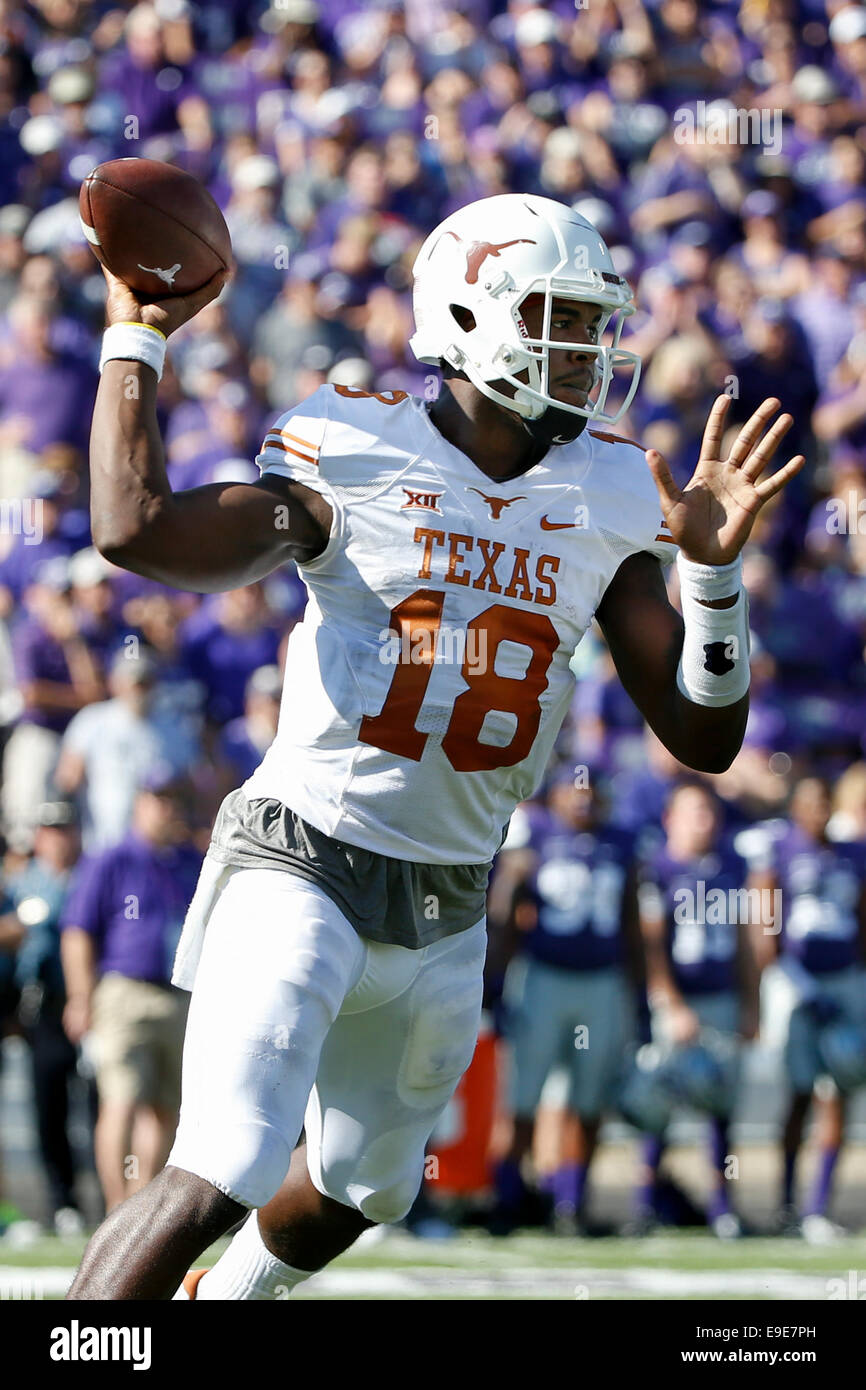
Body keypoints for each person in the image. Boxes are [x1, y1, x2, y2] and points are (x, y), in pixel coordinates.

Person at [67, 192, 804, 1300]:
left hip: (449, 899)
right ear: (470, 316)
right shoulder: (355, 448)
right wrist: (139, 337)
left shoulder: (604, 488)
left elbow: (704, 736)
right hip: (304, 854)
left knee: (367, 1188)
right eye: (556, 318)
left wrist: (708, 577)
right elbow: (137, 532)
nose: (584, 352)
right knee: (227, 1157)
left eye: (593, 324)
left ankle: (224, 1302)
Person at [494, 769, 638, 1235]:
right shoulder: (534, 834)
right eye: (573, 791)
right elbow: (504, 915)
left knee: (588, 1098)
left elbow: (632, 921)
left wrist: (640, 994)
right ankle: (509, 1197)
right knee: (522, 1095)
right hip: (543, 978)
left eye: (591, 792)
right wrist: (496, 979)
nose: (583, 800)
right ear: (554, 796)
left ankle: (570, 1203)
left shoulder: (622, 843)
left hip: (600, 981)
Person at [60, 771, 202, 1213]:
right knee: (122, 1099)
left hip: (178, 995)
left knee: (164, 1108)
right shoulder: (112, 859)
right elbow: (79, 932)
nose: (168, 809)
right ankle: (116, 1204)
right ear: (139, 803)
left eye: (173, 800)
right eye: (158, 799)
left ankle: (140, 1206)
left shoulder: (189, 861)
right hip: (124, 992)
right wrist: (81, 997)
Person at [630, 780, 760, 1239]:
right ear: (670, 819)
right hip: (679, 1001)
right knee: (659, 1104)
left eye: (708, 812)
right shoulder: (658, 870)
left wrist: (753, 1004)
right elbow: (651, 946)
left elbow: (745, 941)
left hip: (721, 997)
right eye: (693, 812)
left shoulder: (731, 867)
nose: (703, 821)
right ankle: (642, 1204)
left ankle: (723, 1206)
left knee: (721, 1104)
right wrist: (671, 1002)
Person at [750, 776, 866, 1243]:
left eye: (824, 803)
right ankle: (785, 1203)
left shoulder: (852, 854)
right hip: (797, 984)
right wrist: (794, 983)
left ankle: (819, 1207)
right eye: (809, 802)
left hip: (843, 980)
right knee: (799, 1094)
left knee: (838, 1091)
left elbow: (862, 921)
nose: (817, 811)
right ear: (795, 807)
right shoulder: (778, 852)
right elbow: (764, 928)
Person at [6, 800, 89, 1232]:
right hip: (41, 1005)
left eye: (65, 830)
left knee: (98, 1104)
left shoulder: (91, 875)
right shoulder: (21, 880)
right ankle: (63, 1201)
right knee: (49, 1105)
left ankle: (114, 1198)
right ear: (39, 836)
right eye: (50, 831)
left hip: (91, 1002)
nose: (58, 839)